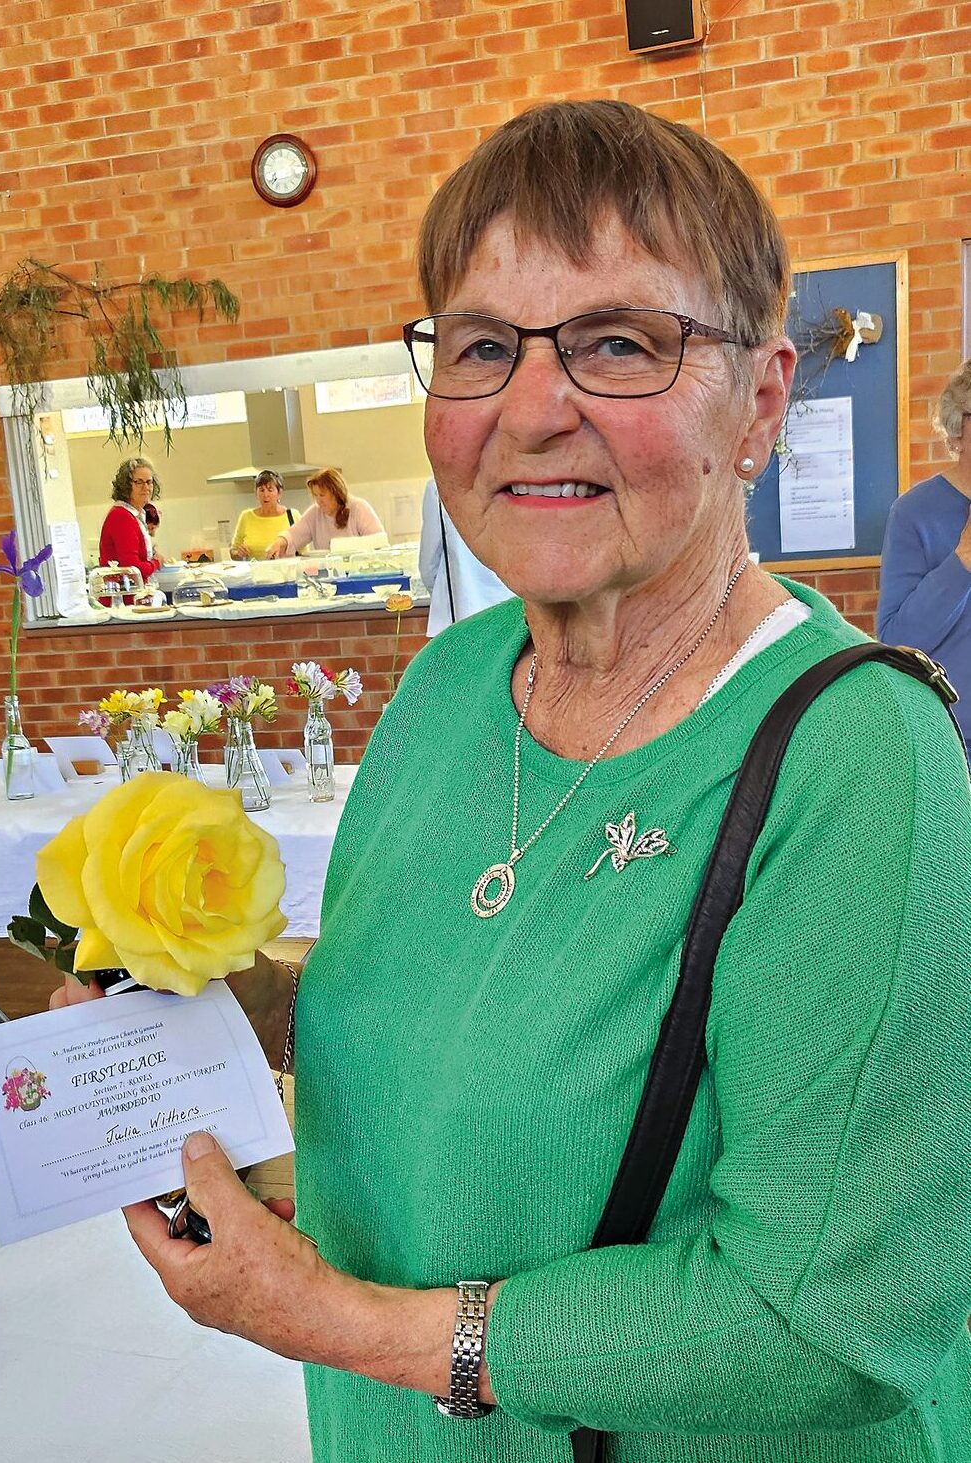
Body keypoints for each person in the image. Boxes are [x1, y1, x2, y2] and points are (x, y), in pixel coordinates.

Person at [55, 101, 971, 1462]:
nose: (535, 410)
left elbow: (821, 1324)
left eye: (620, 343)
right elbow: (464, 985)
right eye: (484, 346)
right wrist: (219, 994)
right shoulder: (448, 684)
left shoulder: (855, 761)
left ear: (763, 397)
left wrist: (330, 1317)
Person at [877, 359, 971, 749]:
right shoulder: (914, 513)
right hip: (951, 743)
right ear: (958, 429)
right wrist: (963, 558)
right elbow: (896, 639)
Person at [418, 476, 514, 635]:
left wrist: (442, 599)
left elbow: (429, 566)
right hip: (513, 609)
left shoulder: (438, 487)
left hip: (464, 608)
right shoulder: (517, 481)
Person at [263, 467, 384, 558]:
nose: (318, 500)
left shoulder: (359, 508)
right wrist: (279, 542)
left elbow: (379, 542)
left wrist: (342, 546)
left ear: (336, 493)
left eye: (322, 495)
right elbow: (294, 533)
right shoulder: (315, 512)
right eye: (315, 495)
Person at [98, 457, 162, 584]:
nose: (146, 487)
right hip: (123, 598)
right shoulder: (121, 517)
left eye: (149, 482)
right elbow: (132, 568)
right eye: (139, 482)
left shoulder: (134, 514)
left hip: (134, 595)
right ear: (126, 486)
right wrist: (156, 563)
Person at [230, 469, 298, 560]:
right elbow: (233, 551)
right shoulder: (246, 516)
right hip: (255, 572)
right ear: (256, 493)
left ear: (279, 493)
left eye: (270, 490)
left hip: (287, 572)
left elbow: (304, 552)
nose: (265, 495)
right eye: (261, 490)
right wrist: (238, 553)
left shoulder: (292, 515)